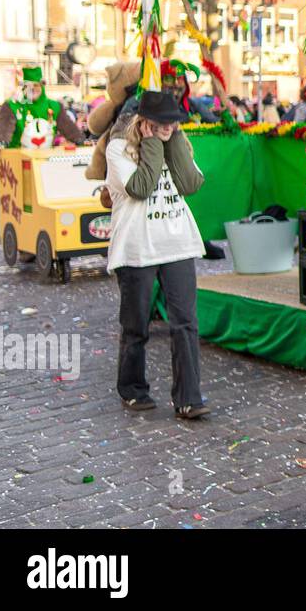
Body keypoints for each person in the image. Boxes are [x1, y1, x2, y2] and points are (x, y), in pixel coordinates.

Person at [105, 91, 210, 419]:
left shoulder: (176, 141)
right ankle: (132, 389)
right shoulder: (117, 149)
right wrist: (153, 145)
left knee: (185, 323)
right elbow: (141, 187)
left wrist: (174, 142)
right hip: (136, 247)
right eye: (162, 122)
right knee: (136, 324)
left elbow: (191, 183)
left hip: (177, 243)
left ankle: (188, 398)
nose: (169, 127)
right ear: (144, 121)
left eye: (174, 121)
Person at [0, 66, 85, 153]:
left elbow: (68, 127)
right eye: (28, 85)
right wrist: (1, 143)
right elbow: (4, 128)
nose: (32, 88)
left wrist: (80, 140)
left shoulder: (54, 106)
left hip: (45, 157)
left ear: (41, 86)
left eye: (36, 85)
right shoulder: (12, 106)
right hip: (18, 157)